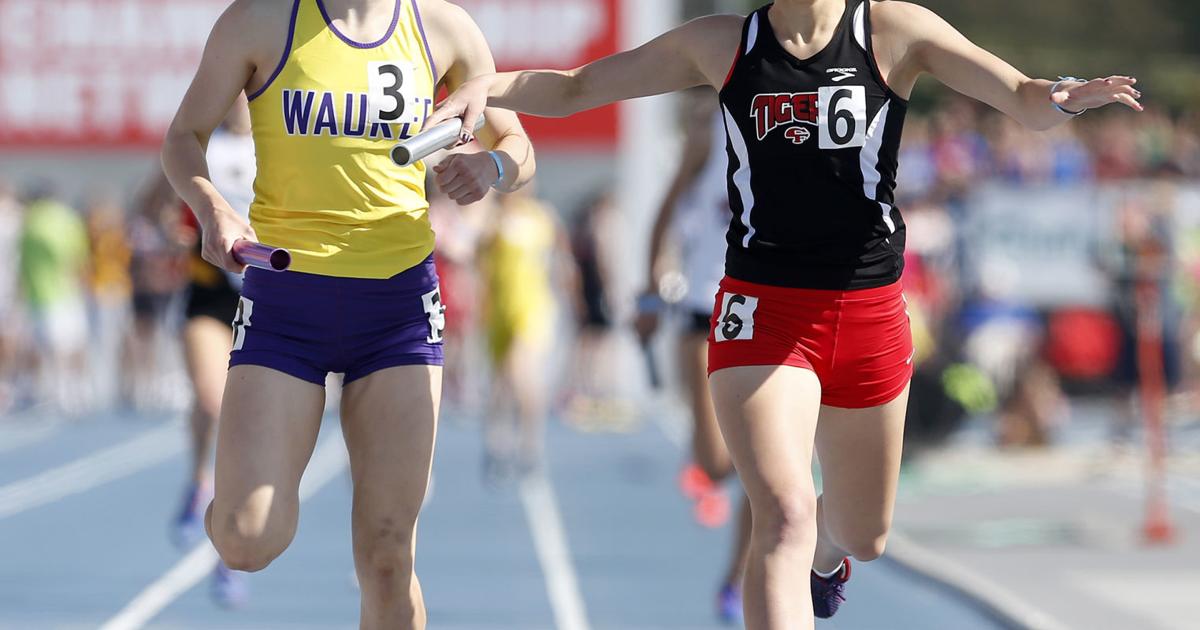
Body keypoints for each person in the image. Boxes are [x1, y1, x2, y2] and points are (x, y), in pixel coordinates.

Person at [427, 1, 1141, 627]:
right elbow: (581, 86)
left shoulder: (892, 29)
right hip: (760, 309)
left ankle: (832, 559)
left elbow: (1019, 95)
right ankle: (804, 551)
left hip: (867, 310)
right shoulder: (723, 44)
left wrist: (1066, 95)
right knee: (784, 513)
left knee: (862, 533)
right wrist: (485, 86)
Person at [160, 1, 534, 628]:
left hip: (398, 311)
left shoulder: (444, 26)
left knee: (388, 555)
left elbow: (519, 146)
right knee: (246, 539)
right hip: (286, 303)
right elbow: (182, 137)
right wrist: (214, 209)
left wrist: (491, 164)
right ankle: (218, 495)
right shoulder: (260, 20)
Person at [634, 90, 749, 623]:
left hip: (770, 307)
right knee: (715, 464)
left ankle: (738, 579)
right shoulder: (712, 137)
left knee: (769, 467)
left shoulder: (805, 141)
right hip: (706, 309)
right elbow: (661, 217)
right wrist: (650, 292)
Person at [166, 96, 257, 607]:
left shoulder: (281, 141)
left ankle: (229, 553)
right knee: (210, 401)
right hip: (210, 290)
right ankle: (198, 478)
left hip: (268, 291)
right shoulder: (198, 145)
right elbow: (156, 199)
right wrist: (169, 227)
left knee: (246, 429)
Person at [477, 186, 569, 482]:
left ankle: (530, 443)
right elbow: (477, 255)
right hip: (498, 311)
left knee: (522, 374)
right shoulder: (493, 218)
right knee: (500, 380)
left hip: (531, 308)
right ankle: (497, 443)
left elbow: (560, 256)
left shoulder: (540, 217)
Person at [18, 184, 91, 413]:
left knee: (51, 346)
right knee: (71, 343)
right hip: (67, 291)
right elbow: (80, 256)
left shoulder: (33, 221)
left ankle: (58, 391)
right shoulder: (68, 218)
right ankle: (74, 390)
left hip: (44, 293)